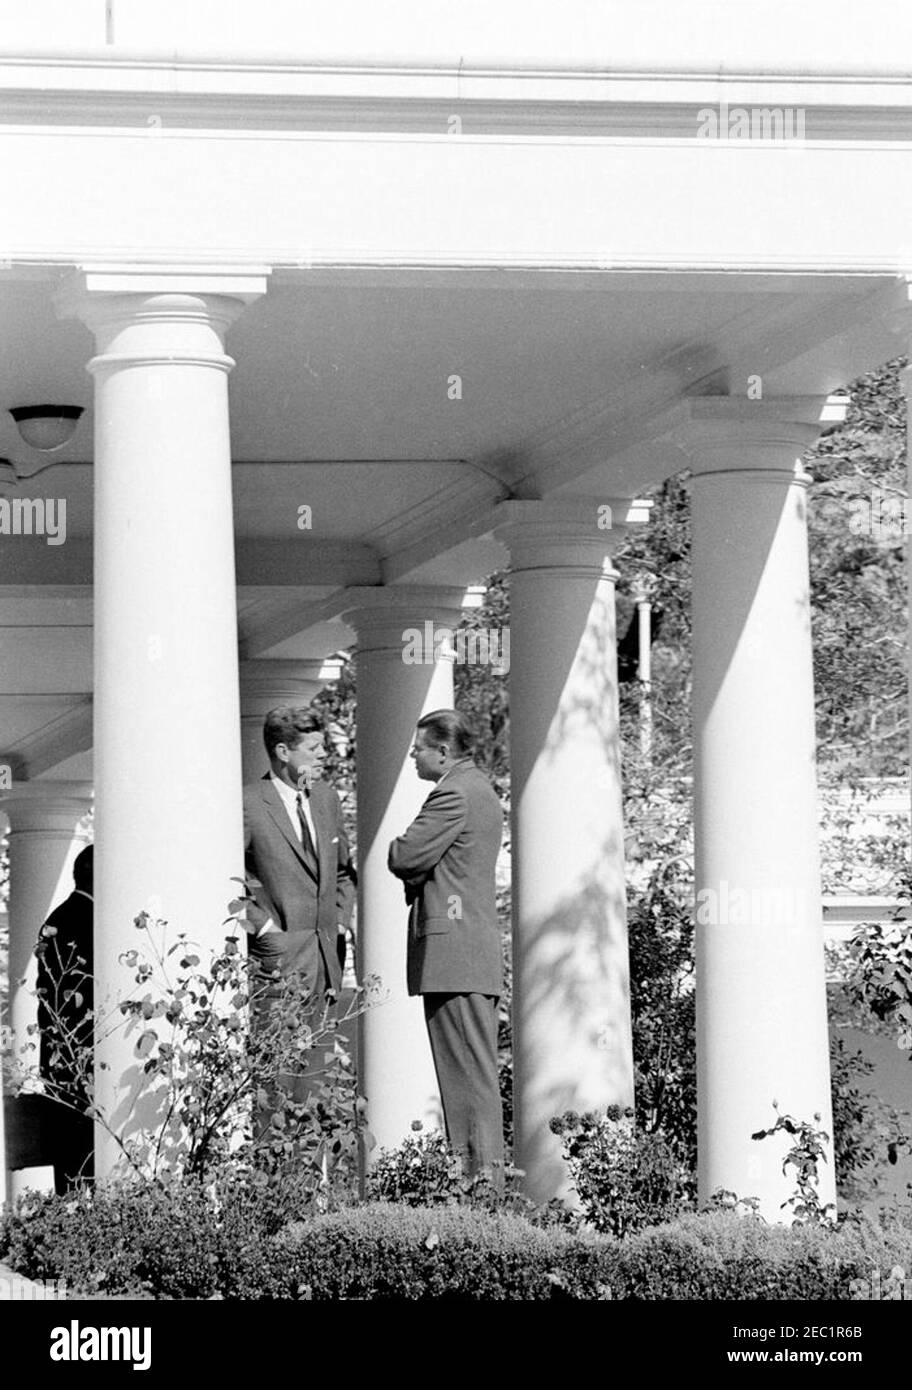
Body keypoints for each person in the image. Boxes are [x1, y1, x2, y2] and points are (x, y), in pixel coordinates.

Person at [387, 708, 505, 1179]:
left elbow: (404, 854)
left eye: (419, 748)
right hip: (468, 954)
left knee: (466, 1085)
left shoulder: (452, 793)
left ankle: (481, 1196)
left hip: (455, 956)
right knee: (473, 1079)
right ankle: (485, 1193)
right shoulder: (479, 790)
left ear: (442, 751)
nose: (413, 755)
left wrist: (410, 861)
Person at [242, 707, 356, 1110]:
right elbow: (227, 877)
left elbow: (344, 872)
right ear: (283, 751)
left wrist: (341, 920)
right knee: (275, 1090)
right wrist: (263, 927)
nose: (324, 754)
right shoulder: (249, 803)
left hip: (327, 965)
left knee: (316, 1094)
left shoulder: (326, 799)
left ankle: (311, 1177)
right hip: (278, 967)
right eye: (314, 748)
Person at [35, 843, 95, 1193]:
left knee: (72, 1168)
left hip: (62, 1059)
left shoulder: (59, 917)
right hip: (81, 1060)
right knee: (83, 1159)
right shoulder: (85, 919)